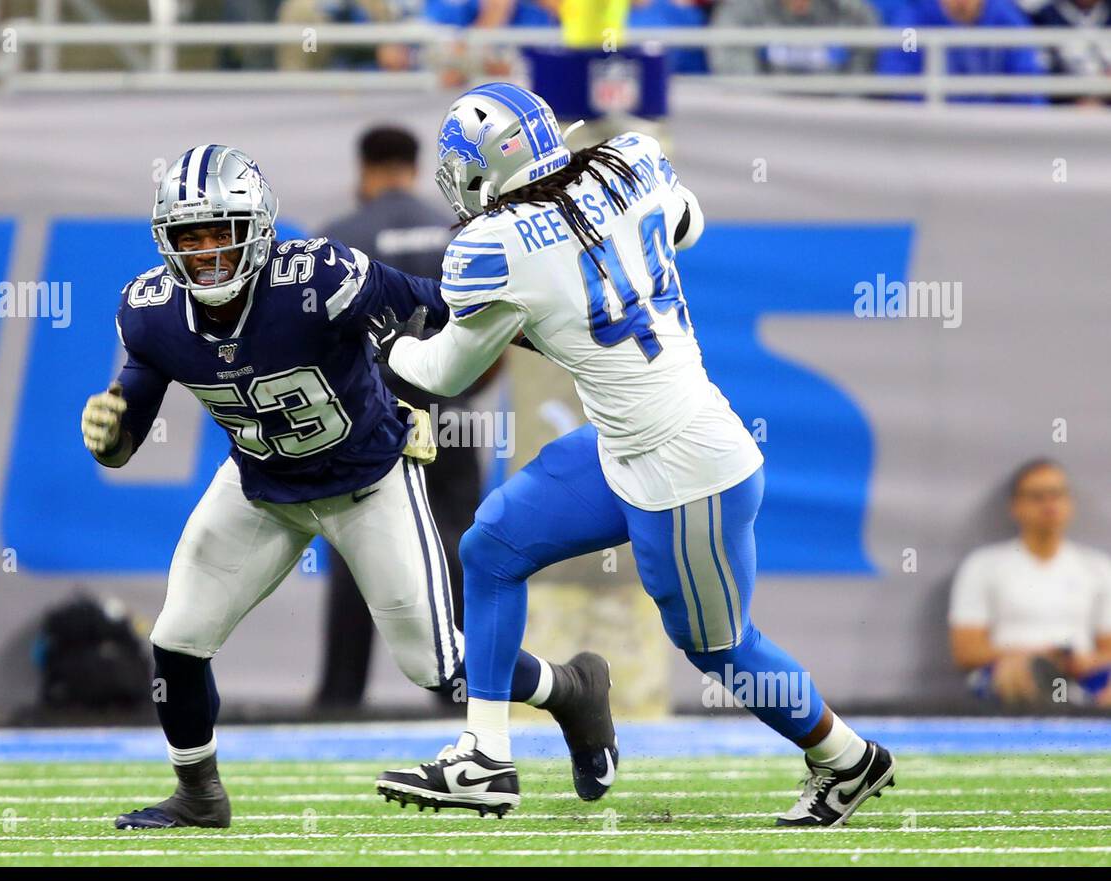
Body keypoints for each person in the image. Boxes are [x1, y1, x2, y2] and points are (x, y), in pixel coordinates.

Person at [371, 83, 896, 824]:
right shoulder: (628, 161)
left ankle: (846, 758)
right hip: (627, 441)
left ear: (485, 167)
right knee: (491, 545)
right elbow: (687, 224)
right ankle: (483, 756)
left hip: (685, 469)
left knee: (720, 649)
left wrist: (388, 344)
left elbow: (444, 374)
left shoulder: (494, 245)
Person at [83, 144, 615, 829]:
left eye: (224, 232)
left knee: (439, 666)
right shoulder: (150, 310)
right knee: (178, 638)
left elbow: (439, 310)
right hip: (261, 487)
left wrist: (533, 342)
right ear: (167, 242)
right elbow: (129, 429)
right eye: (193, 237)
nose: (210, 252)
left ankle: (571, 688)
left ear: (261, 230)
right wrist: (113, 432)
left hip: (368, 480)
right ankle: (198, 795)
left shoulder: (319, 273)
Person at [315, 126, 492, 710]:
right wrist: (461, 391)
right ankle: (462, 693)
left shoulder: (337, 242)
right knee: (458, 545)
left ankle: (341, 698)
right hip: (449, 415)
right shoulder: (460, 236)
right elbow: (496, 330)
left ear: (364, 170)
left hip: (362, 421)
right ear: (413, 169)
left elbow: (312, 343)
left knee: (355, 550)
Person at [949, 460, 1111, 708]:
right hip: (1009, 671)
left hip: (1081, 675)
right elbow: (966, 651)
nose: (1049, 505)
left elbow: (1107, 648)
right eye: (1037, 497)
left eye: (1056, 495)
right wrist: (1034, 655)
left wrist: (1084, 660)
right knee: (1020, 674)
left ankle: (1076, 707)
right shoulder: (983, 565)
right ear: (1016, 506)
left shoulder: (1098, 567)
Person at [876, 0, 1048, 104]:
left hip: (995, 136)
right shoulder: (912, 24)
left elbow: (1027, 83)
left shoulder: (1007, 19)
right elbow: (899, 79)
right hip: (929, 133)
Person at [709, 0, 880, 76]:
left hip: (839, 133)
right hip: (762, 131)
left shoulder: (854, 13)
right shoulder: (739, 11)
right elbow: (741, 84)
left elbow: (858, 86)